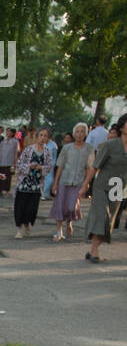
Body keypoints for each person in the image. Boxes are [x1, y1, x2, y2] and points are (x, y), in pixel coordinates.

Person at [79, 112, 127, 263]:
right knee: (100, 216)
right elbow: (95, 167)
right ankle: (94, 251)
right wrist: (85, 185)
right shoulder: (110, 145)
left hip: (118, 187)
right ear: (122, 126)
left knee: (109, 221)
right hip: (102, 185)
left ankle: (93, 248)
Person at [49, 123, 92, 241]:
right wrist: (55, 182)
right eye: (77, 131)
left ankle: (69, 222)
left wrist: (86, 183)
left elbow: (89, 167)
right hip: (64, 180)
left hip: (78, 181)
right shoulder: (67, 148)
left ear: (86, 134)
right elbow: (60, 166)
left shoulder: (89, 148)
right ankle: (59, 230)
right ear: (74, 133)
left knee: (72, 207)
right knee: (59, 205)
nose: (79, 134)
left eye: (82, 131)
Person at [13, 127, 53, 239]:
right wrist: (28, 166)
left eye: (45, 136)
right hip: (24, 183)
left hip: (37, 184)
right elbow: (19, 165)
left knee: (32, 208)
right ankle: (19, 229)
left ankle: (27, 223)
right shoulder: (28, 150)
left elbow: (49, 167)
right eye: (41, 135)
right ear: (37, 136)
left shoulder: (47, 152)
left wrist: (41, 167)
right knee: (20, 206)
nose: (43, 138)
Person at [0, 126, 18, 195]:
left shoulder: (15, 142)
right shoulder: (3, 141)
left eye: (9, 131)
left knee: (7, 177)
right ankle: (0, 190)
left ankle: (7, 191)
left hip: (9, 162)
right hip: (0, 161)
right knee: (0, 176)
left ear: (12, 133)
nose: (7, 133)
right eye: (7, 131)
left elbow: (15, 152)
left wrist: (15, 163)